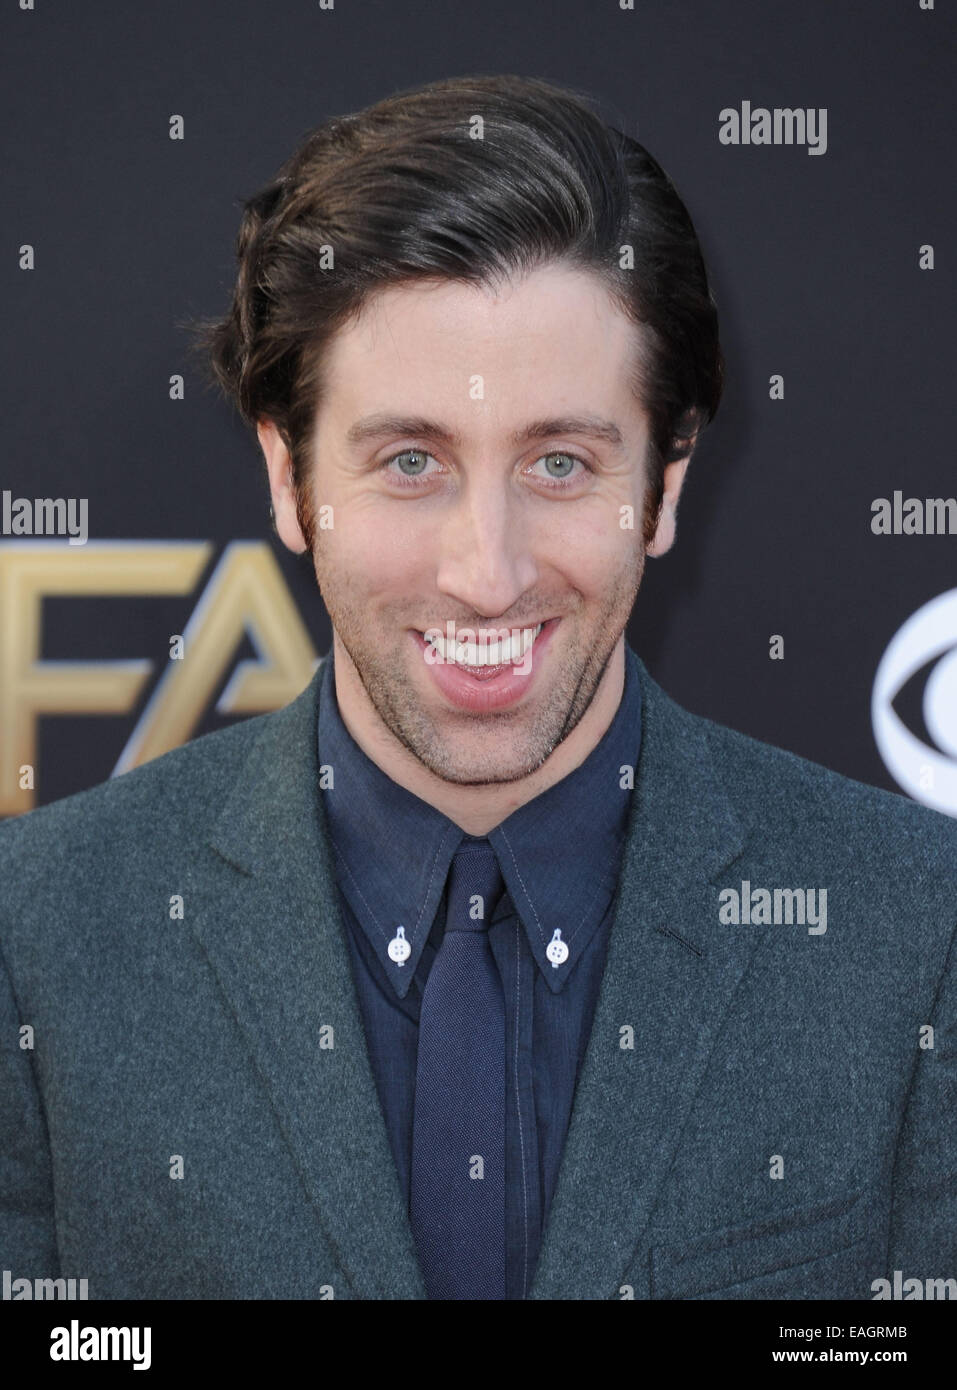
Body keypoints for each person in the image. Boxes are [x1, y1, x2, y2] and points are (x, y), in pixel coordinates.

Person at [1, 74, 954, 1302]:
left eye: (561, 461)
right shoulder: (39, 934)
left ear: (663, 488)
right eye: (410, 462)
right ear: (289, 480)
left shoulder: (913, 932)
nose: (487, 574)